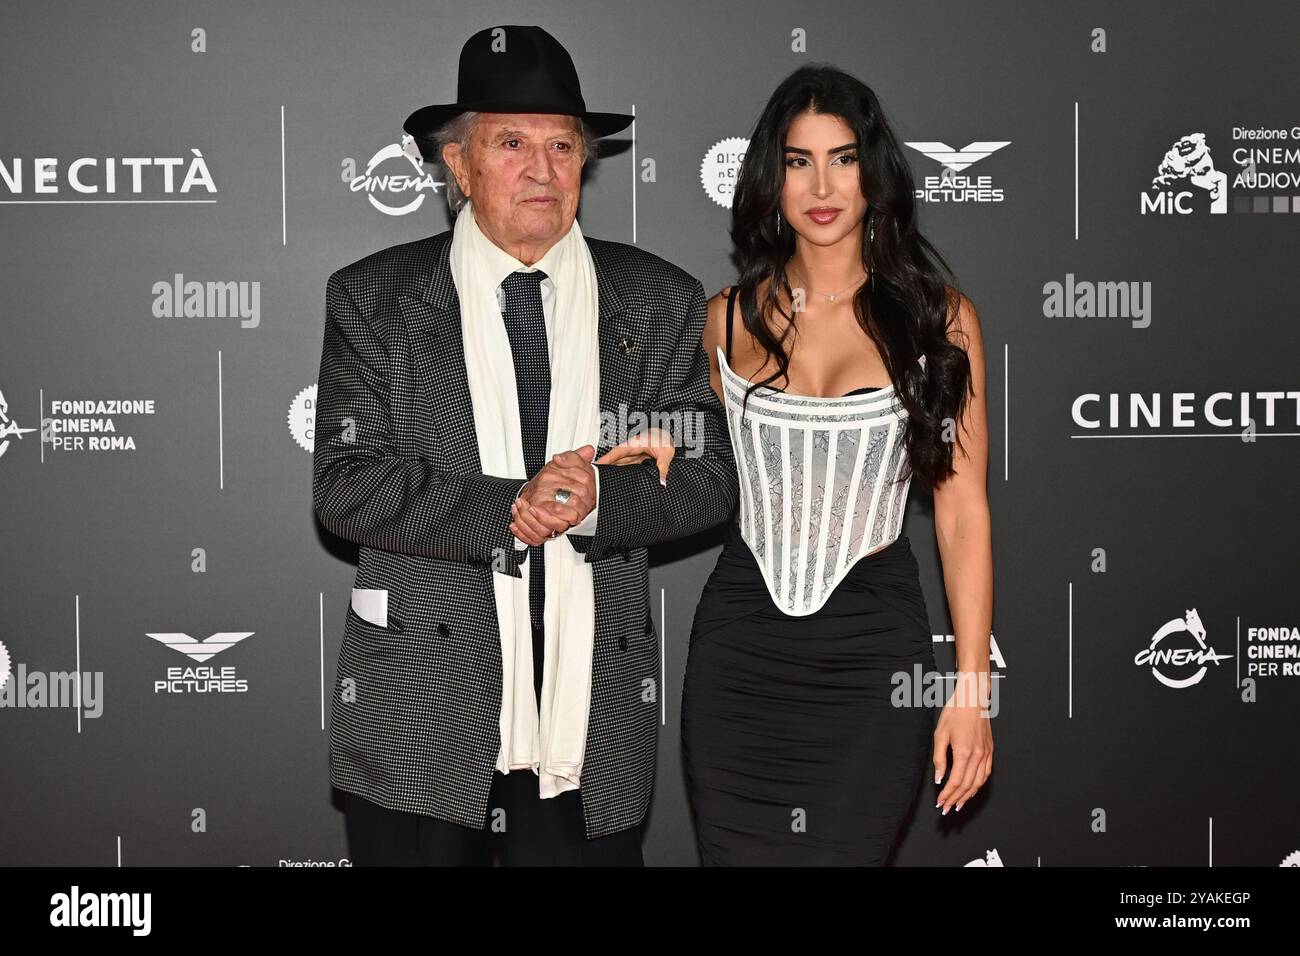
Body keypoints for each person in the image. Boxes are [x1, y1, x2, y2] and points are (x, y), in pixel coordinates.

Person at [313, 24, 736, 866]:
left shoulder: (657, 299)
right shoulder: (376, 297)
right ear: (457, 166)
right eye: (511, 143)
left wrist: (599, 500)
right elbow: (346, 484)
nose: (542, 170)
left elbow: (710, 477)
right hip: (418, 724)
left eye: (562, 145)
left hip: (591, 731)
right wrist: (510, 503)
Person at [681, 64, 994, 865]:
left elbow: (959, 516)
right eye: (797, 161)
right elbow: (685, 466)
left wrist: (968, 689)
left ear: (874, 173)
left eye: (843, 158)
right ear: (771, 179)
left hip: (871, 656)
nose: (821, 184)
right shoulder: (724, 321)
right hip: (739, 654)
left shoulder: (940, 322)